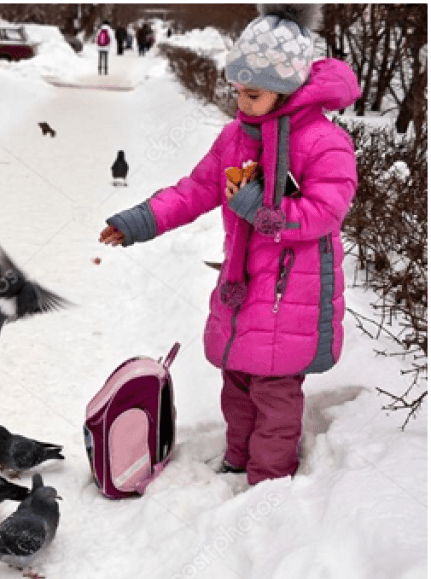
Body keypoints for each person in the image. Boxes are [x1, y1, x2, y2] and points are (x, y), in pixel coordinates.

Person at [98, 4, 360, 485]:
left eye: (253, 94)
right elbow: (197, 189)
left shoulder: (324, 143)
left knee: (275, 395)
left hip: (290, 294)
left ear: (288, 88)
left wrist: (260, 208)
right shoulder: (238, 137)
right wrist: (141, 220)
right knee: (237, 383)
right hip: (244, 287)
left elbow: (325, 213)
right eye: (237, 91)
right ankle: (238, 458)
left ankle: (269, 481)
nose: (241, 103)